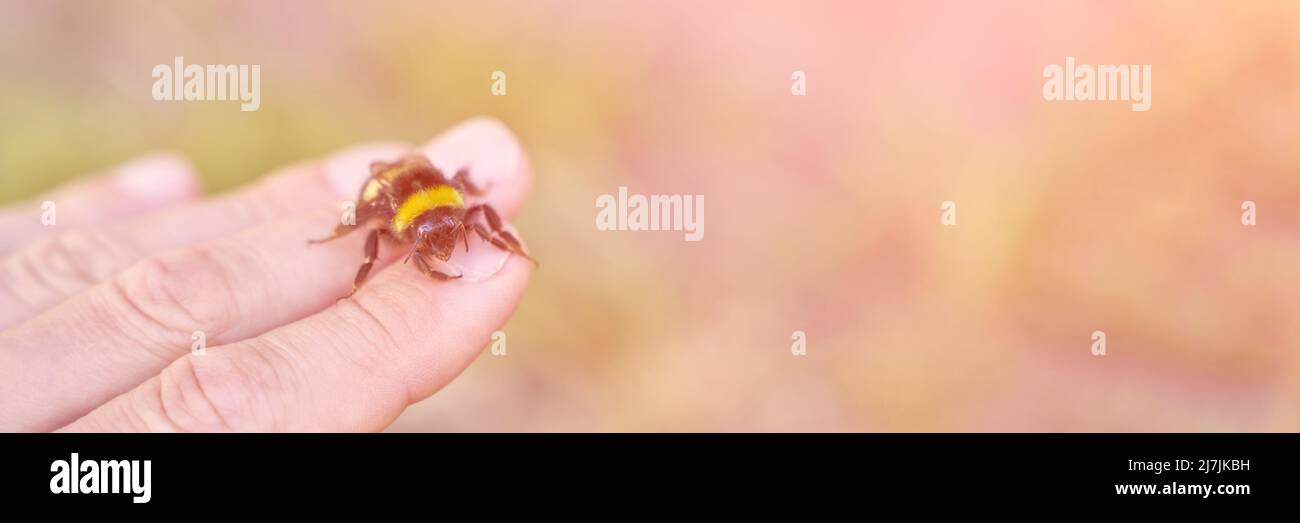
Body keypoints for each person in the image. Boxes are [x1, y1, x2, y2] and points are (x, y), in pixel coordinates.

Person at [0, 118, 534, 432]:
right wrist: (341, 243)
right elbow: (369, 217)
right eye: (433, 236)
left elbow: (463, 202)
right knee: (367, 227)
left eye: (452, 232)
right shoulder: (390, 214)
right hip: (400, 191)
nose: (445, 244)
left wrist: (480, 214)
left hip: (423, 187)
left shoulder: (453, 206)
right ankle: (344, 256)